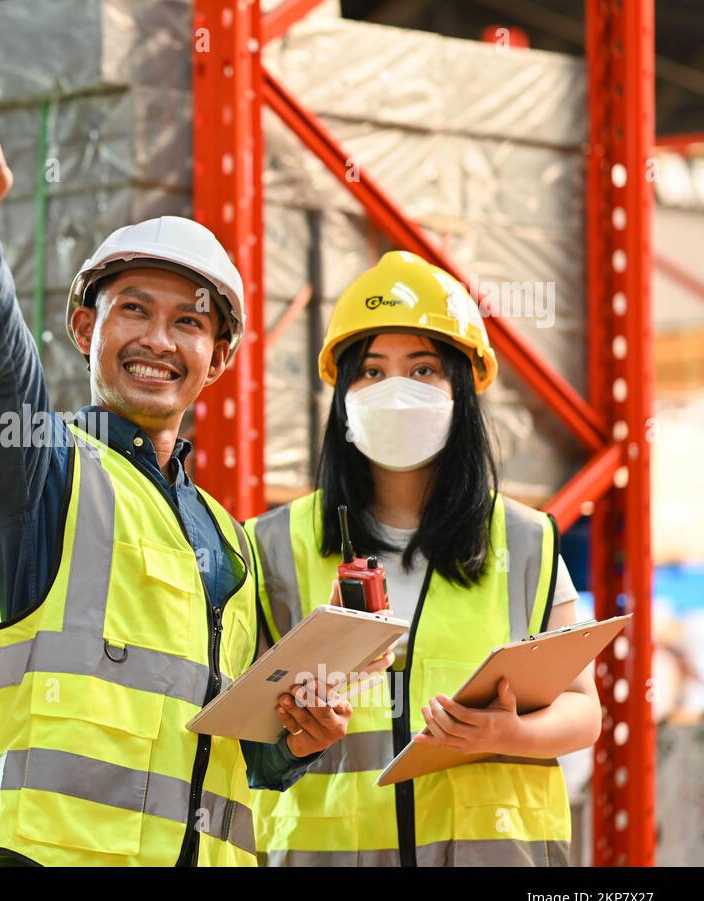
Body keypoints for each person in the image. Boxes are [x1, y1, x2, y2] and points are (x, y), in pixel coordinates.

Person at [0, 102, 351, 867]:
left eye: (188, 322)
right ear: (87, 331)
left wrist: (292, 744)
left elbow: (227, 752)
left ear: (217, 359)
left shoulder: (230, 543)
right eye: (134, 311)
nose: (158, 339)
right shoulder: (42, 478)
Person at [245, 251, 601, 867]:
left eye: (424, 369)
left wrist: (512, 734)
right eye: (373, 371)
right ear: (344, 399)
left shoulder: (525, 540)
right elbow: (243, 734)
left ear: (461, 391)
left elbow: (582, 708)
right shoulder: (271, 543)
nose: (398, 391)